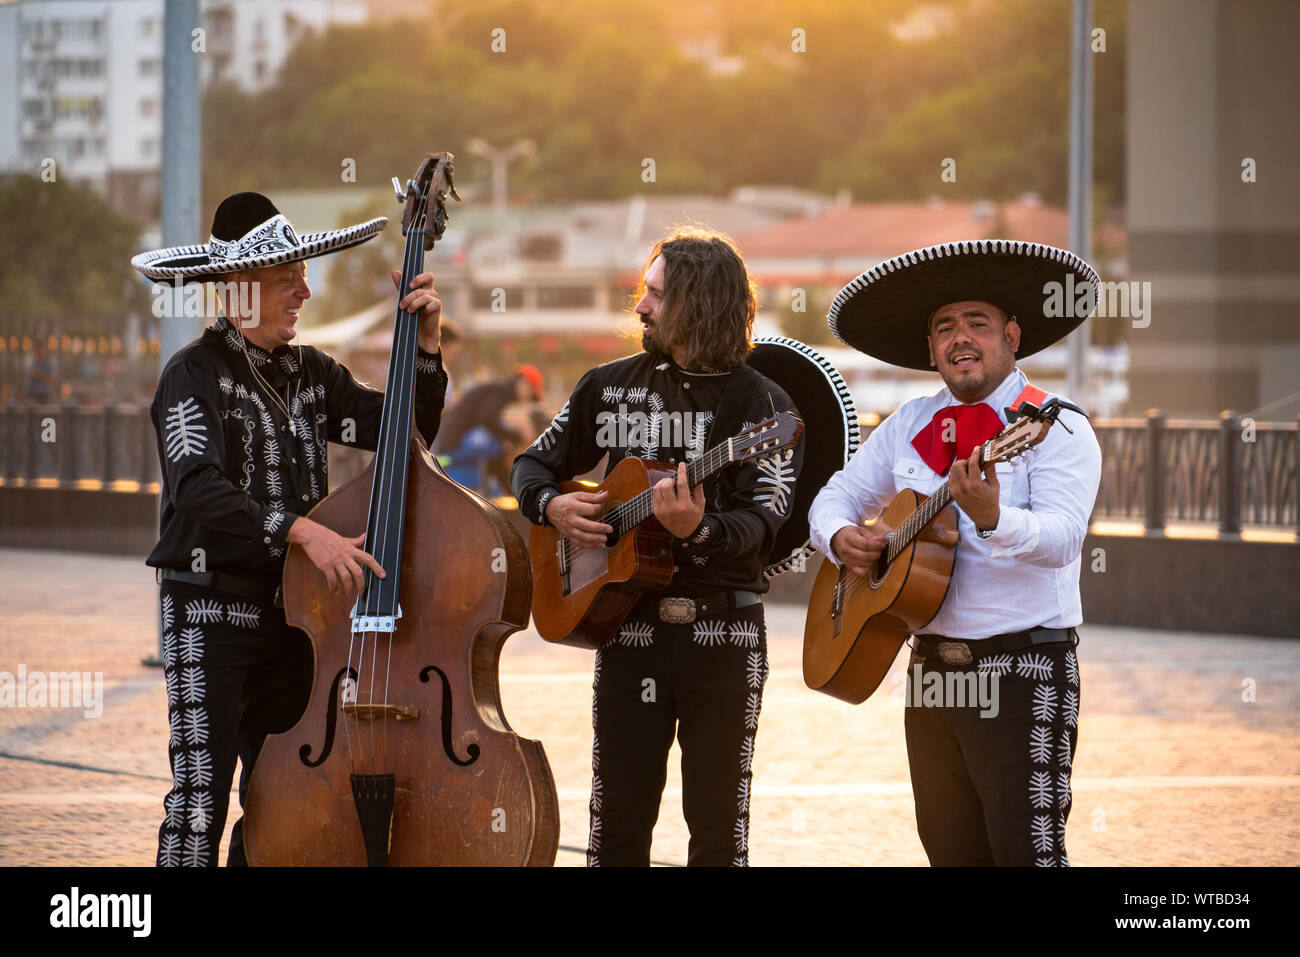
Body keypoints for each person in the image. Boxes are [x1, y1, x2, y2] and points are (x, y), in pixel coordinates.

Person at [132, 191, 447, 866]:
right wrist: (303, 531)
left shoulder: (314, 373)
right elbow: (195, 487)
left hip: (293, 619)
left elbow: (405, 435)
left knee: (284, 793)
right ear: (239, 289)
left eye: (303, 274)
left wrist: (424, 350)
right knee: (199, 798)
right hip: (206, 609)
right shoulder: (191, 374)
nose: (304, 290)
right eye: (286, 279)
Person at [511, 228, 805, 866]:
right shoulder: (607, 386)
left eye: (655, 295)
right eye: (643, 292)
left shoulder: (765, 408)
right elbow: (532, 466)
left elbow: (761, 530)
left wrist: (693, 531)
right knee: (614, 825)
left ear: (698, 303)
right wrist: (554, 506)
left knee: (719, 832)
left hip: (724, 639)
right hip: (626, 629)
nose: (639, 307)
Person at [809, 240, 1102, 866]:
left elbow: (1063, 540)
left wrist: (996, 517)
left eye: (978, 323)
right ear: (931, 347)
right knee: (950, 853)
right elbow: (834, 495)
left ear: (1013, 336)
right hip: (932, 671)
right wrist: (839, 537)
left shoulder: (1055, 425)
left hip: (1024, 668)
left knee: (1029, 854)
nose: (961, 338)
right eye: (945, 327)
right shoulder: (909, 422)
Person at [435, 365, 543, 492]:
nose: (527, 400)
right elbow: (488, 419)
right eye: (531, 395)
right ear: (524, 383)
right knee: (496, 443)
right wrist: (514, 436)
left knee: (497, 444)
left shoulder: (498, 391)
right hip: (454, 444)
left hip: (455, 444)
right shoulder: (500, 391)